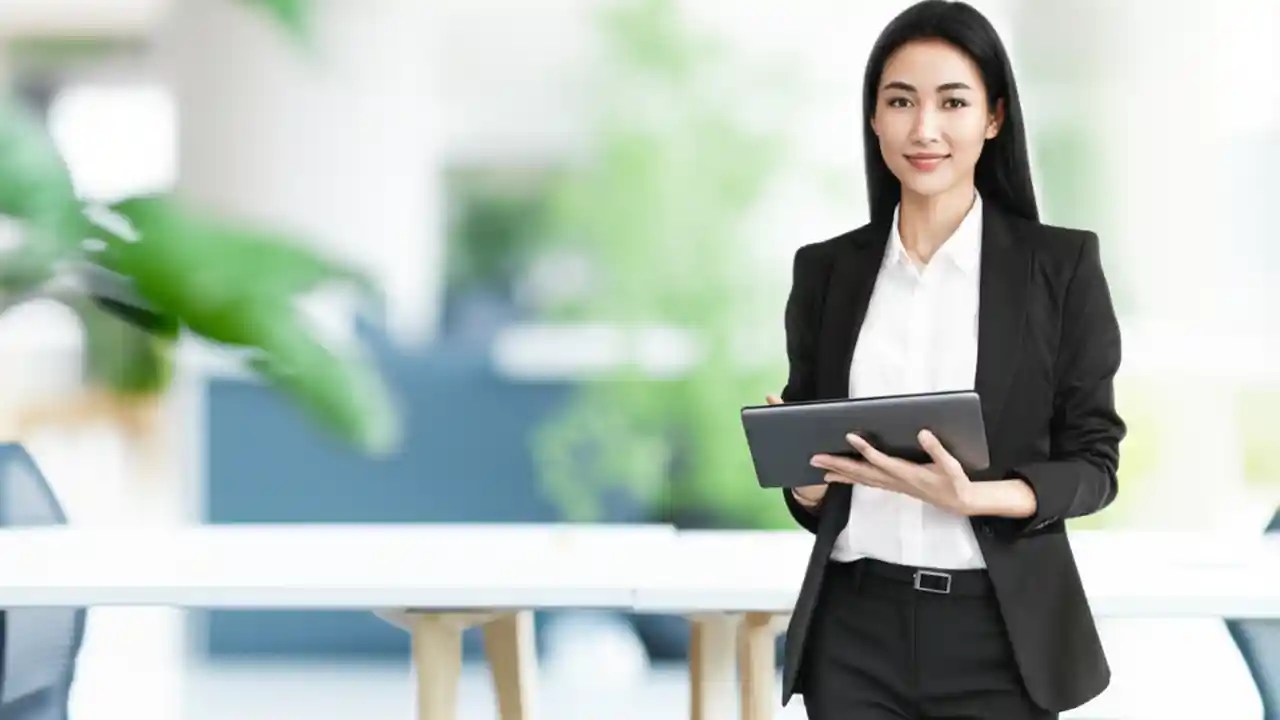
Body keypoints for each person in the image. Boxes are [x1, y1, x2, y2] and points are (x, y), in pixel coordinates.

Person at [765, 2, 1126, 718]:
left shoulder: (1060, 268)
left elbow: (1095, 464)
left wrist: (975, 498)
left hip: (999, 637)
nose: (924, 128)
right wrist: (804, 483)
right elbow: (820, 495)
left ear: (993, 117)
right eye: (901, 102)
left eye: (953, 102)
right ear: (874, 118)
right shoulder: (826, 273)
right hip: (853, 634)